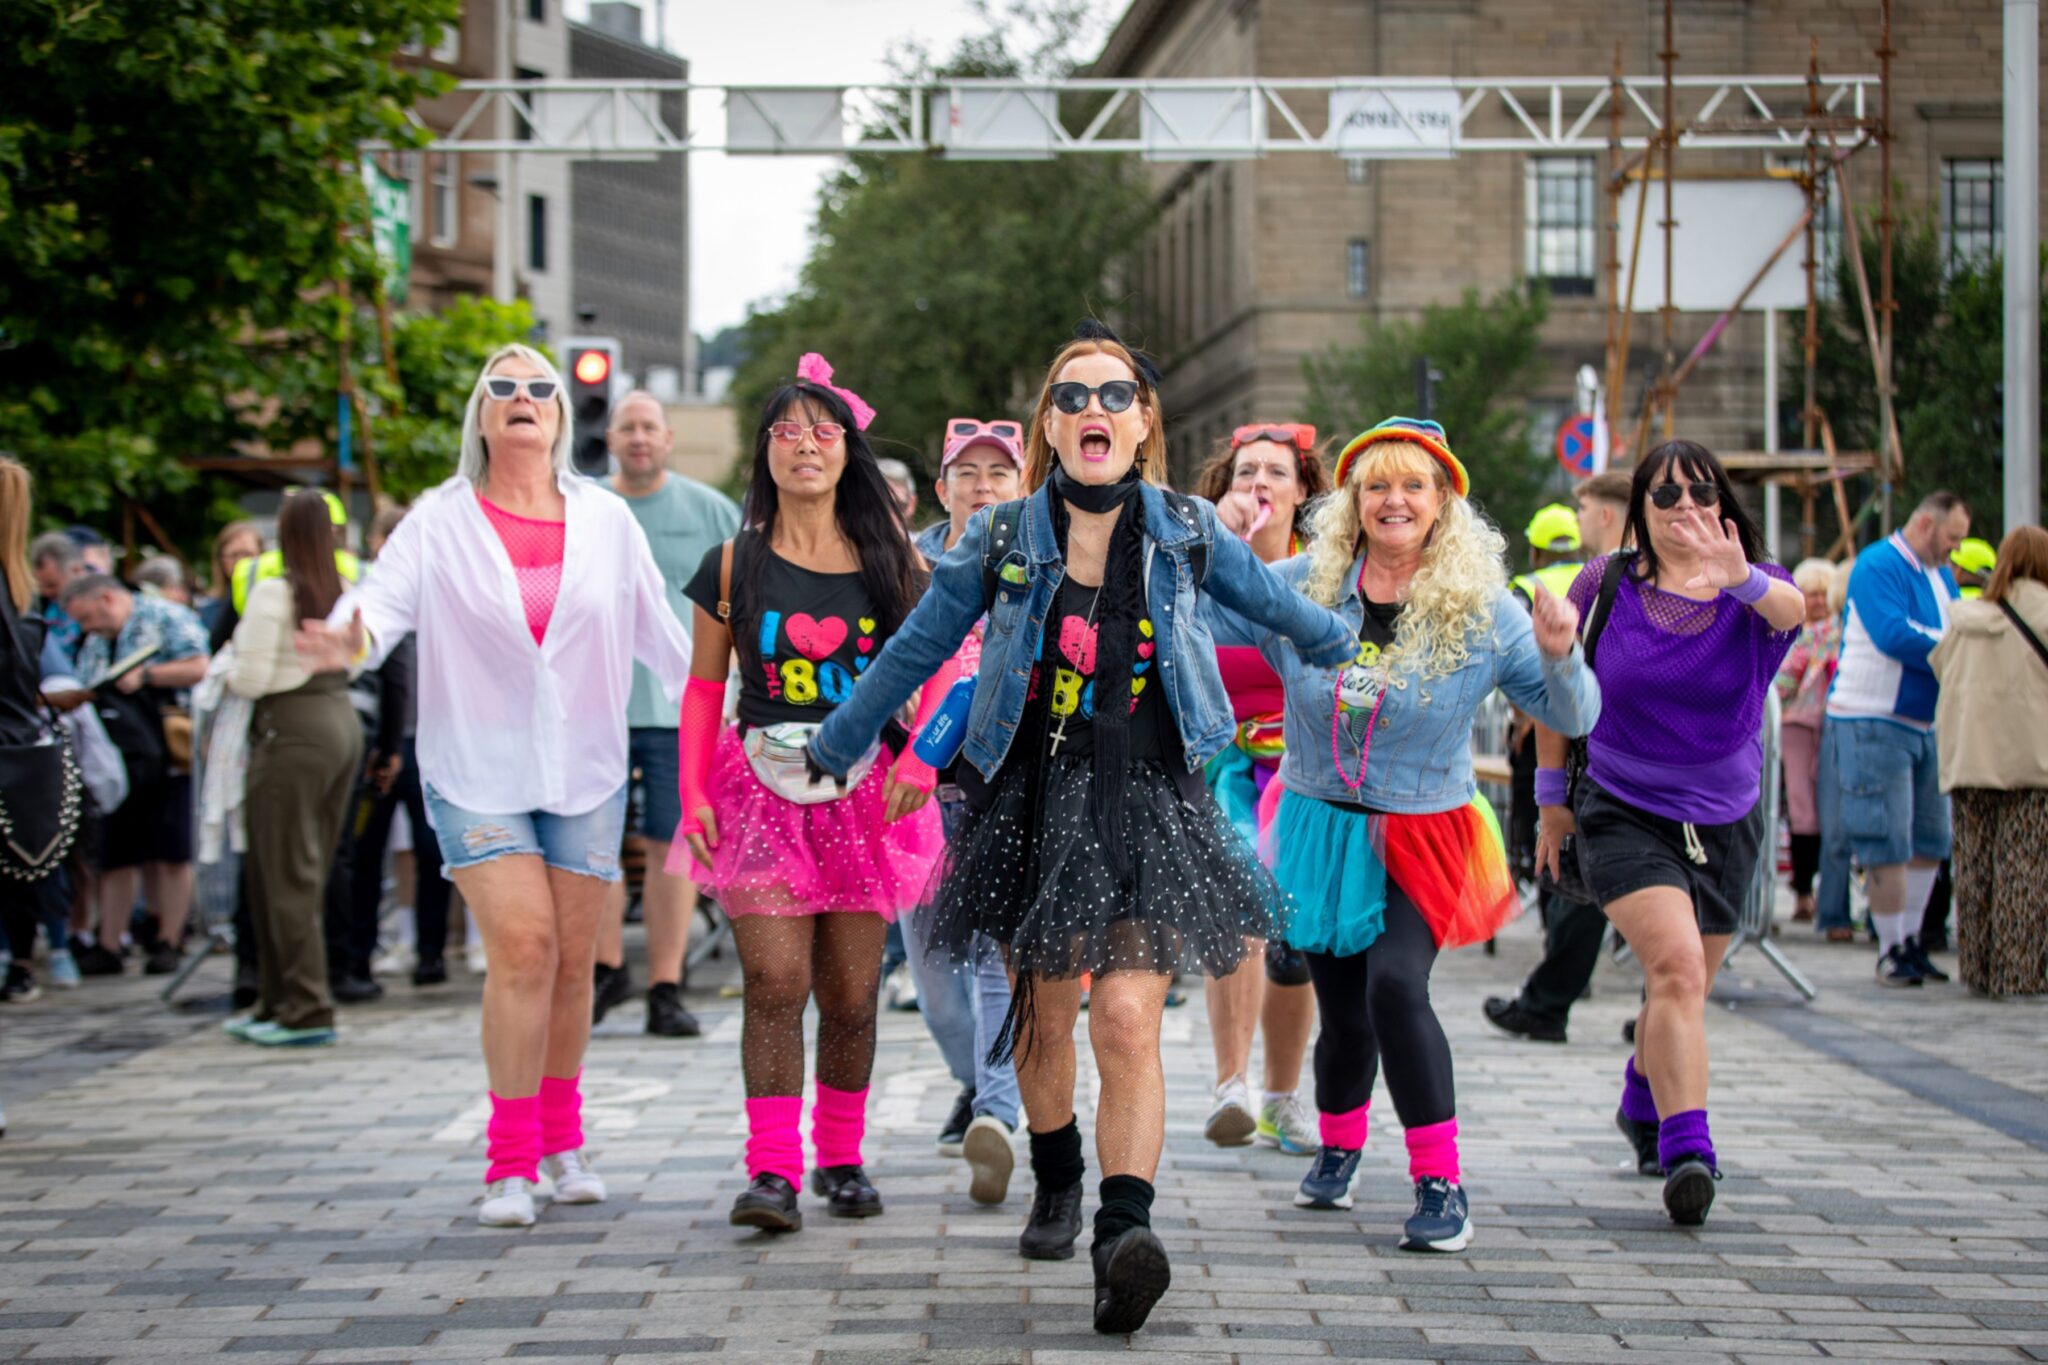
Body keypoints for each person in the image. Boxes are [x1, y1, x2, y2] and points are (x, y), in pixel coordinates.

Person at [808, 324, 1356, 1335]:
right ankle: (1055, 1170)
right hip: (1028, 796)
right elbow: (914, 648)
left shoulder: (1189, 529)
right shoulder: (999, 537)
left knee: (1127, 1019)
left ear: (1143, 420)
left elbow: (1285, 610)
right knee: (1042, 1012)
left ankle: (1122, 1231)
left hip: (1153, 798)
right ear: (1046, 429)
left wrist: (1364, 640)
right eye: (1070, 397)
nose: (1091, 410)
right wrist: (839, 742)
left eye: (1113, 395)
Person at [294, 343, 693, 1228]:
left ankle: (562, 1139)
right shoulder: (437, 520)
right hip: (476, 768)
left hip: (584, 765)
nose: (522, 397)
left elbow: (660, 638)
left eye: (538, 387)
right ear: (481, 414)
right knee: (522, 947)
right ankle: (510, 1161)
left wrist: (733, 706)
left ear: (558, 415)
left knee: (573, 961)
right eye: (501, 387)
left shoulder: (604, 520)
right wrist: (337, 638)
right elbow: (380, 608)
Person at [1213, 417, 1596, 1255]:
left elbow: (1571, 715)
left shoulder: (1488, 611)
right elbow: (1197, 618)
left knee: (1395, 985)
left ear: (1442, 503)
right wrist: (1226, 555)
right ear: (1353, 502)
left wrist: (1562, 655)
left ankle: (1439, 1181)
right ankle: (1342, 1145)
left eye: (1413, 485)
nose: (1394, 500)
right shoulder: (1301, 586)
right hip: (1319, 824)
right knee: (1344, 1011)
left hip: (1423, 829)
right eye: (1377, 485)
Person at [672, 353, 945, 1235]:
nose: (805, 446)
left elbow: (941, 669)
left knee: (854, 993)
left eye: (823, 432)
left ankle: (841, 1155)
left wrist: (922, 762)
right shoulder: (729, 563)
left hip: (867, 797)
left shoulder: (888, 559)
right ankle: (772, 1171)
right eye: (786, 431)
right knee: (774, 979)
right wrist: (690, 791)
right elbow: (701, 689)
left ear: (847, 451)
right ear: (765, 452)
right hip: (754, 791)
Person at [1543, 439, 1802, 1226]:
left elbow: (1792, 613)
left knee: (1682, 985)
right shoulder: (1606, 581)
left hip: (1727, 816)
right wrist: (1552, 797)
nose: (1685, 506)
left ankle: (1640, 1094)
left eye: (1701, 491)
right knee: (1679, 969)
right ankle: (1690, 1149)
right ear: (1639, 512)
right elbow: (1553, 686)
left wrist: (1742, 579)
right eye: (1665, 494)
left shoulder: (1758, 588)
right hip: (1622, 807)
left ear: (1723, 502)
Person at [1189, 422, 1329, 1155]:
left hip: (1305, 771)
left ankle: (1282, 1095)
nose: (1260, 485)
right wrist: (1209, 537)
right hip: (1225, 773)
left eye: (1277, 472)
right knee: (1239, 912)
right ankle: (1230, 1085)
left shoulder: (1326, 576)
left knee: (1296, 939)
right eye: (1246, 473)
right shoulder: (1201, 570)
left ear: (1304, 491)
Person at [592, 390, 741, 1039]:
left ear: (670, 437)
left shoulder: (709, 509)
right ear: (611, 438)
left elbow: (745, 592)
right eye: (627, 426)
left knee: (670, 844)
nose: (639, 437)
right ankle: (604, 969)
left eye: (650, 426)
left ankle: (665, 983)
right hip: (593, 706)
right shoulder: (588, 506)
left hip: (681, 705)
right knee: (594, 846)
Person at [908, 417, 1024, 1192]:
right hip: (916, 793)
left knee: (994, 960)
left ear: (1021, 487)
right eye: (968, 473)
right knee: (935, 987)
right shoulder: (906, 568)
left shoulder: (1039, 561)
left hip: (1006, 793)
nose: (983, 488)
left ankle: (998, 1114)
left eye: (999, 474)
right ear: (942, 486)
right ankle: (975, 1083)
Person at [1483, 468, 1631, 1044]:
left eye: (1587, 506)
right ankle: (1640, 1006)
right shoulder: (1599, 576)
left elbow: (1537, 683)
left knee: (1573, 876)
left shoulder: (1574, 580)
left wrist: (1547, 782)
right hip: (1606, 754)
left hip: (1592, 756)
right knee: (1586, 875)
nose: (1581, 517)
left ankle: (1552, 1000)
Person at [221, 491, 363, 1047]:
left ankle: (302, 1005)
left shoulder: (273, 593)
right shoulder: (345, 591)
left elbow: (249, 679)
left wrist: (228, 663)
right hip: (338, 722)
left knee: (281, 873)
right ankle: (281, 1000)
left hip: (291, 728)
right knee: (305, 868)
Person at [1821, 490, 1969, 987]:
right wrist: (1955, 648)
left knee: (1930, 836)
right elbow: (1893, 635)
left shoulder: (1939, 572)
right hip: (1874, 717)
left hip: (1924, 722)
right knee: (1886, 836)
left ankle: (1910, 940)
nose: (1956, 552)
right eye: (1952, 539)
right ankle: (1889, 948)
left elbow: (1956, 626)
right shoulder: (1879, 564)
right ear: (1926, 525)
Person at [61, 572, 210, 976]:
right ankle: (111, 943)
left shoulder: (165, 617)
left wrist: (147, 676)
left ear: (109, 598)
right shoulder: (94, 641)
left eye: (89, 617)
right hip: (118, 755)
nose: (86, 628)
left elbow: (201, 665)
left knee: (171, 849)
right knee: (116, 852)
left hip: (167, 747)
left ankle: (170, 938)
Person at [1930, 525, 2048, 997]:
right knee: (2025, 870)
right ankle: (2017, 974)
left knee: (1974, 869)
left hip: (1967, 758)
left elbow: (1940, 668)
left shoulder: (1967, 618)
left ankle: (1977, 969)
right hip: (2031, 761)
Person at [344, 503, 446, 988]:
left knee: (431, 852)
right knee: (366, 853)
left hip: (430, 743)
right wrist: (384, 746)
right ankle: (358, 955)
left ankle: (432, 952)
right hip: (384, 744)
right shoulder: (372, 597)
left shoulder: (443, 590)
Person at [1775, 558, 1841, 924]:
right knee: (1802, 811)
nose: (1817, 602)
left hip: (1825, 724)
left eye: (1822, 594)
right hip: (1798, 726)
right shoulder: (1794, 634)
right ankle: (1803, 891)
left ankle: (1821, 893)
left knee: (1822, 811)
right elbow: (1782, 683)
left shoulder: (1835, 633)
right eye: (1810, 594)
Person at [201, 521, 263, 640]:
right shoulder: (208, 607)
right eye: (234, 555)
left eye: (247, 554)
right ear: (221, 560)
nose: (240, 561)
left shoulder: (271, 600)